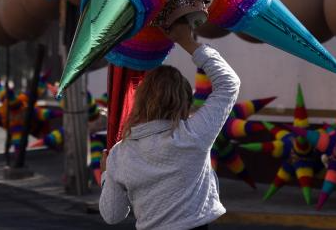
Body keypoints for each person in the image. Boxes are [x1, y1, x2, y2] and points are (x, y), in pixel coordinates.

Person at [98, 19, 240, 230]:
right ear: (183, 102)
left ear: (140, 100)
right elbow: (229, 84)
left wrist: (106, 175)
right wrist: (186, 41)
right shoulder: (194, 134)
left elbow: (112, 215)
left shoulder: (120, 153)